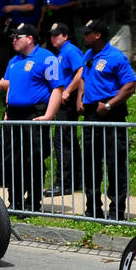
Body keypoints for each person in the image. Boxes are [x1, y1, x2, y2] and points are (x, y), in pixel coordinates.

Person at [67, 19, 136, 221]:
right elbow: (84, 78)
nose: (84, 36)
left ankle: (116, 212)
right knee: (91, 163)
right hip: (90, 114)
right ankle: (93, 208)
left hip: (110, 113)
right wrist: (80, 98)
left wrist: (109, 105)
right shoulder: (89, 55)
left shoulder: (116, 57)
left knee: (115, 164)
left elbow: (130, 85)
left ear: (97, 35)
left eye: (88, 33)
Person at [0, 24, 63, 212]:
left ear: (30, 38)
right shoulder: (14, 61)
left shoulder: (47, 58)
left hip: (35, 115)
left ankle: (33, 202)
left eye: (18, 37)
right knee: (12, 160)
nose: (14, 40)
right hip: (14, 116)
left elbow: (57, 88)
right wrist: (8, 110)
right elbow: (10, 87)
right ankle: (15, 202)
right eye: (13, 37)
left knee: (33, 160)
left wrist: (49, 115)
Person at [46, 23, 85, 197]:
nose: (53, 38)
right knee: (67, 141)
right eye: (52, 35)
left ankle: (64, 183)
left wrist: (68, 91)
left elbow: (81, 72)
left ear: (65, 36)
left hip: (67, 102)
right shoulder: (61, 54)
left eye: (57, 35)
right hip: (63, 102)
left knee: (62, 142)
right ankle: (76, 180)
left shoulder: (70, 51)